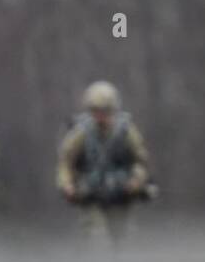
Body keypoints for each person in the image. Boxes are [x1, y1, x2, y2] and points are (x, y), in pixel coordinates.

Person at [56, 81, 152, 245]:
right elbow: (66, 161)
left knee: (124, 238)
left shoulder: (126, 131)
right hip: (91, 193)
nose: (101, 116)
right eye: (96, 111)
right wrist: (67, 185)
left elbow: (141, 160)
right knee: (96, 238)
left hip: (121, 193)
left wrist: (136, 180)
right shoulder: (81, 133)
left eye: (105, 110)